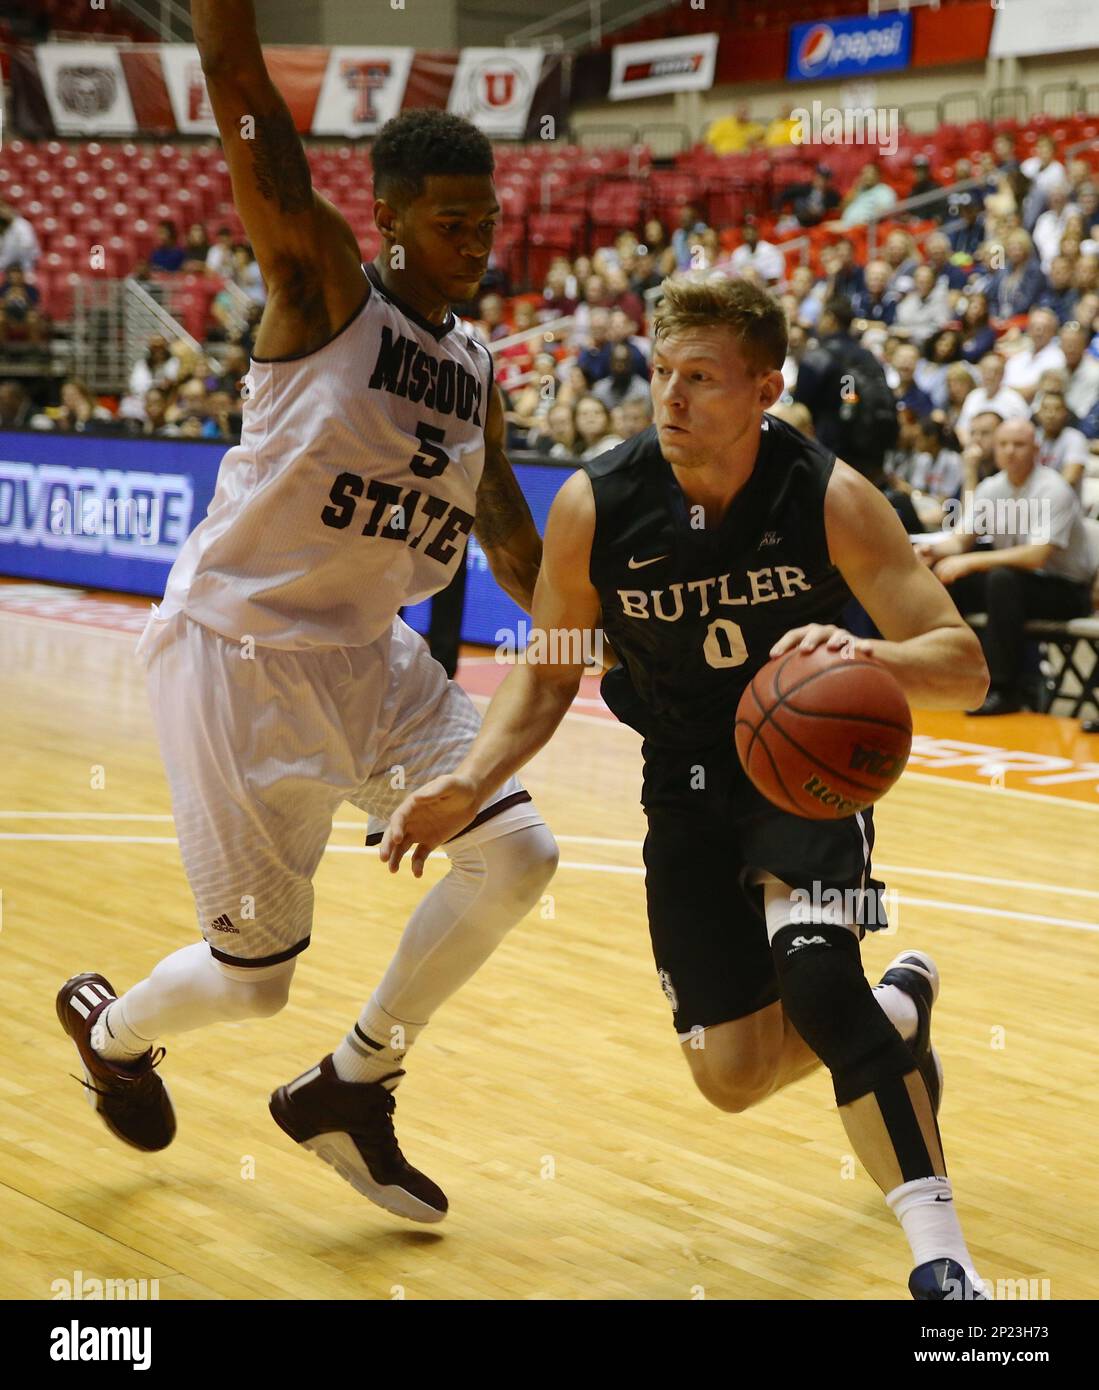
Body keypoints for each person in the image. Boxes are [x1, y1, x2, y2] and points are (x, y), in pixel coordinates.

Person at [378, 273, 991, 1302]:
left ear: (765, 387)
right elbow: (549, 672)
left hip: (807, 779)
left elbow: (964, 666)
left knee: (815, 973)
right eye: (661, 373)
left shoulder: (829, 495)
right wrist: (467, 782)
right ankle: (901, 1012)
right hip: (685, 784)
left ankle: (943, 1261)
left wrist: (870, 658)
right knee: (732, 1076)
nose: (670, 397)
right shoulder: (597, 502)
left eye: (700, 378)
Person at [56, 1, 557, 1228]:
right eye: (449, 223)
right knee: (253, 983)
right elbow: (245, 97)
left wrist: (592, 649)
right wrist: (226, 24)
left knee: (522, 852)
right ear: (383, 215)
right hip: (239, 658)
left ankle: (354, 1080)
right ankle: (112, 1032)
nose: (473, 244)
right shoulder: (322, 280)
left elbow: (501, 523)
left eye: (486, 222)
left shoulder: (477, 366)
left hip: (370, 660)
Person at [920, 418, 1093, 715]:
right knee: (944, 578)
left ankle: (1002, 689)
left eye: (1019, 444)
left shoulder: (1054, 488)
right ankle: (946, 674)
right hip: (1014, 586)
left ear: (1036, 448)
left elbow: (1035, 557)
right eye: (1003, 444)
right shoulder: (991, 488)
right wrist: (931, 551)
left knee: (1000, 579)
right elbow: (960, 540)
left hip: (1066, 591)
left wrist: (971, 560)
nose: (1010, 451)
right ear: (995, 449)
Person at [1034, 389, 1091, 492]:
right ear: (1038, 413)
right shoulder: (1032, 437)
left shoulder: (1075, 438)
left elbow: (1069, 481)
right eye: (1046, 409)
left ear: (1066, 414)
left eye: (1057, 409)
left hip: (1063, 503)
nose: (1050, 414)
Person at [592, 343, 651, 413]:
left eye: (624, 362)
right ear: (610, 364)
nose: (620, 367)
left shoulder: (643, 391)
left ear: (631, 364)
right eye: (616, 362)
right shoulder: (599, 390)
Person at [573, 394, 622, 460]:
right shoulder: (578, 449)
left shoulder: (613, 446)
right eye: (584, 414)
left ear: (607, 419)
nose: (590, 419)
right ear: (574, 421)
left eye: (597, 413)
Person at [0, 202, 41, 273]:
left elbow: (27, 247)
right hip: (7, 265)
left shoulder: (22, 225)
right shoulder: (4, 228)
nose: (3, 214)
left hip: (25, 265)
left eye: (4, 210)